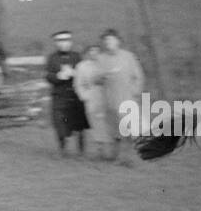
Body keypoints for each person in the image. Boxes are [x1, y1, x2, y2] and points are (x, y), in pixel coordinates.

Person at [95, 30, 144, 164]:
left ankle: (128, 157)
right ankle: (115, 156)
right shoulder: (101, 58)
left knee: (128, 128)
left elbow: (138, 76)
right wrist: (103, 76)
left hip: (127, 98)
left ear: (118, 41)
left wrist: (134, 92)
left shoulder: (128, 57)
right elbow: (96, 79)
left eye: (111, 40)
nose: (108, 43)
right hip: (110, 100)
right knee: (114, 130)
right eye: (106, 41)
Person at [45, 31, 88, 156]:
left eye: (66, 41)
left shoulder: (76, 56)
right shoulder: (52, 58)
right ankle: (62, 148)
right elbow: (48, 76)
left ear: (70, 42)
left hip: (76, 95)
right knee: (60, 123)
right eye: (61, 41)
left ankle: (81, 151)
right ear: (56, 43)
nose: (64, 44)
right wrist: (59, 76)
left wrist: (75, 74)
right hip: (59, 95)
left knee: (79, 124)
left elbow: (84, 73)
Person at [73, 43, 110, 161]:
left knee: (106, 123)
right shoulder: (82, 66)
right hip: (92, 98)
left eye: (97, 50)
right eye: (91, 50)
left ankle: (110, 150)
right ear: (88, 52)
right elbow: (78, 84)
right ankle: (100, 149)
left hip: (105, 98)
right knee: (95, 123)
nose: (94, 53)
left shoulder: (104, 65)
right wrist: (85, 96)